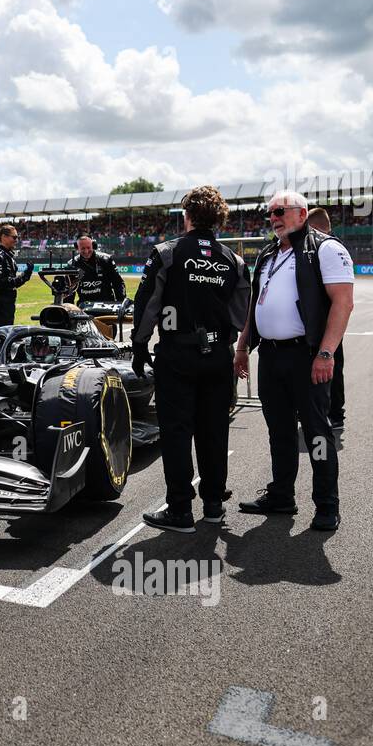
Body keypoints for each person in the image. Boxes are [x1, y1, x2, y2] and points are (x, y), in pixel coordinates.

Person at [131, 185, 251, 533]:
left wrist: (140, 346)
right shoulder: (234, 260)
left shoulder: (166, 252)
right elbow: (241, 312)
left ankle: (180, 510)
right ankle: (214, 505)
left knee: (177, 432)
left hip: (177, 355)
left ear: (187, 216)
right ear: (218, 219)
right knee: (214, 431)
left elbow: (147, 303)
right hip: (217, 356)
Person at [234, 190, 355, 531]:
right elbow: (254, 304)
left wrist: (326, 352)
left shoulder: (326, 248)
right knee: (279, 431)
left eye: (280, 211)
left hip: (308, 356)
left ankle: (327, 504)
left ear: (301, 214)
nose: (273, 218)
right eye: (269, 212)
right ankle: (282, 496)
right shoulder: (269, 253)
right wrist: (243, 346)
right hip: (271, 356)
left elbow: (342, 304)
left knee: (317, 433)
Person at [307, 207, 345, 433]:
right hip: (317, 321)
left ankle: (335, 414)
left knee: (333, 368)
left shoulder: (331, 247)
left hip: (328, 322)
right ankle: (320, 411)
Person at [0, 224, 33, 356]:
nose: (16, 240)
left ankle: (1, 367)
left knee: (6, 339)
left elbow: (12, 284)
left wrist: (26, 276)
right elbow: (3, 283)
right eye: (14, 237)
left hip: (8, 304)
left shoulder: (9, 257)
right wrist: (24, 276)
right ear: (4, 237)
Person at [70, 235, 127, 306]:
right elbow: (70, 290)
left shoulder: (106, 260)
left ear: (93, 246)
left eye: (88, 247)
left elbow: (118, 283)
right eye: (83, 248)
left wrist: (121, 303)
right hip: (84, 307)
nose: (86, 251)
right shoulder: (72, 264)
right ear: (77, 248)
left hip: (107, 306)